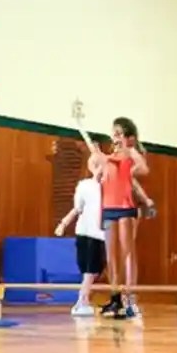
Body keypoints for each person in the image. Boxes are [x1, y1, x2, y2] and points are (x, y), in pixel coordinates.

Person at [98, 117, 149, 319]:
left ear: (128, 137)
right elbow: (101, 178)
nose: (115, 137)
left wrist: (128, 150)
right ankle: (115, 296)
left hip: (125, 208)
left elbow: (143, 168)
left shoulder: (129, 155)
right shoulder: (110, 157)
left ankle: (130, 298)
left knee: (127, 253)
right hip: (108, 208)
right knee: (111, 256)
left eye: (119, 133)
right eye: (114, 133)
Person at [56, 153, 106, 317]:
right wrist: (63, 223)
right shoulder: (84, 185)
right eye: (94, 164)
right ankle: (82, 300)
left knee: (94, 270)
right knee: (87, 269)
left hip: (100, 234)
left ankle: (83, 299)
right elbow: (77, 208)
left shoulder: (109, 187)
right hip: (84, 231)